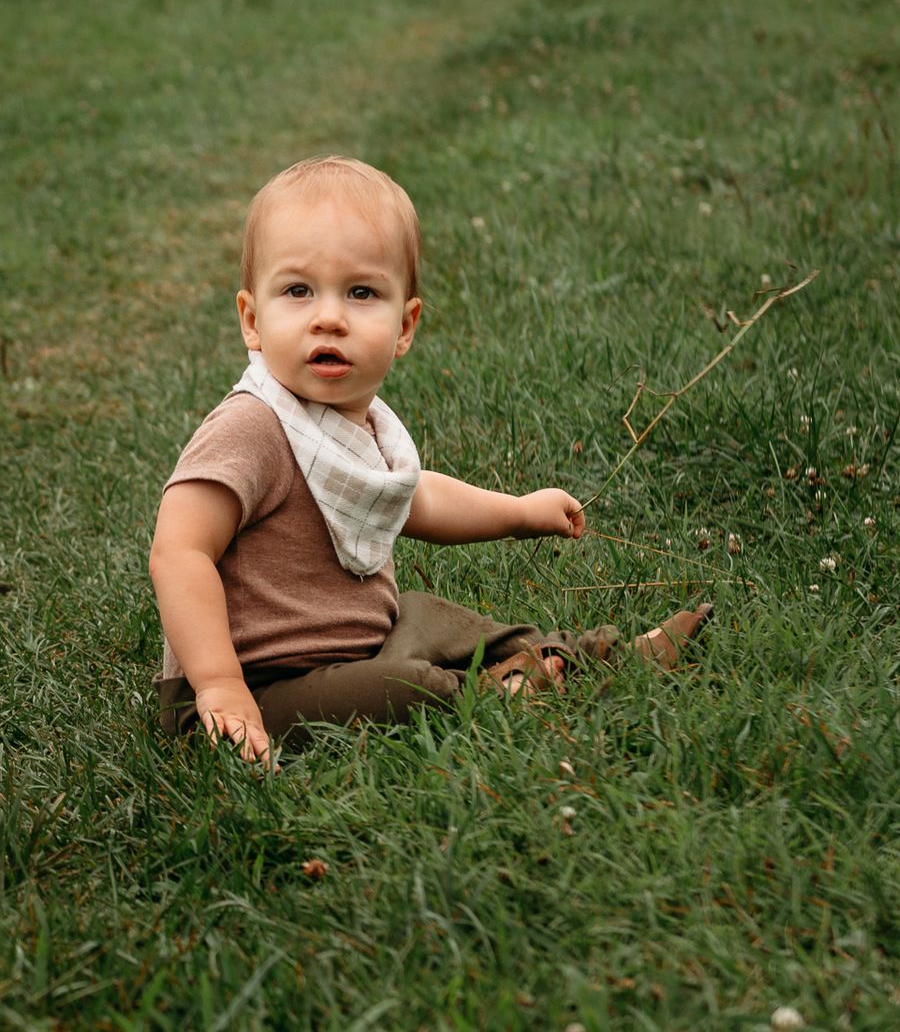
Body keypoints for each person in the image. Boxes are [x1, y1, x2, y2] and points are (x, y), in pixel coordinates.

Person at [149, 156, 711, 766]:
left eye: (361, 293)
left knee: (437, 619)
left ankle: (580, 653)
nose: (329, 316)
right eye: (298, 291)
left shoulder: (363, 424)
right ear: (253, 320)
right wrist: (218, 683)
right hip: (261, 688)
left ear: (404, 326)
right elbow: (179, 549)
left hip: (364, 647)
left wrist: (519, 513)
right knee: (395, 690)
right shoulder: (252, 427)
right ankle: (504, 689)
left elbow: (418, 497)